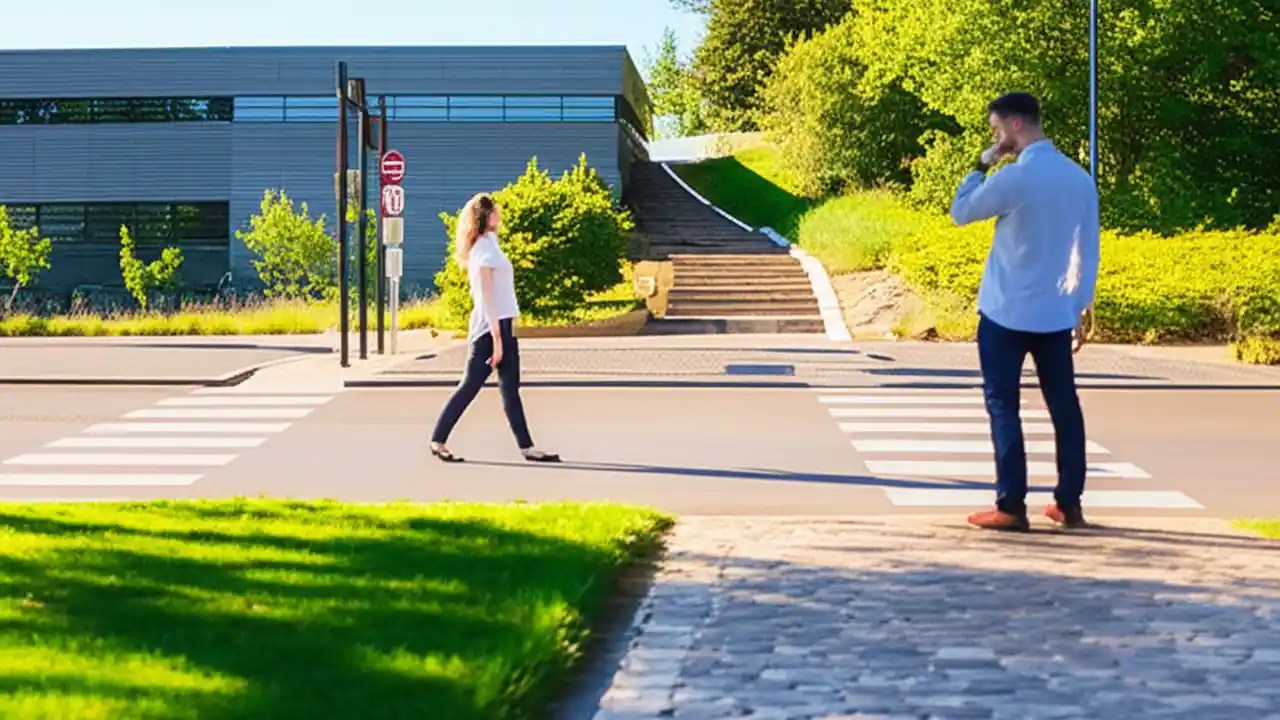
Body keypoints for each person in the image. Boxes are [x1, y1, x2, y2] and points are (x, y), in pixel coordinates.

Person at [950, 92, 1100, 532]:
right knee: (1064, 406)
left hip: (1005, 311)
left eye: (998, 130)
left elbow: (961, 212)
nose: (997, 139)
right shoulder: (1078, 179)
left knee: (1003, 405)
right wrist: (1080, 304)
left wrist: (981, 164)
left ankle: (1011, 505)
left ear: (1016, 125)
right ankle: (1068, 503)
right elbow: (1087, 248)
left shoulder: (1014, 179)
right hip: (1055, 312)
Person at [429, 193, 560, 464]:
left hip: (502, 325)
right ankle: (438, 440)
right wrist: (498, 339)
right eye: (496, 212)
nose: (500, 215)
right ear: (487, 217)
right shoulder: (484, 252)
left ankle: (527, 447)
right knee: (470, 385)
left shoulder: (491, 244)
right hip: (489, 330)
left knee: (510, 388)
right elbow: (487, 299)